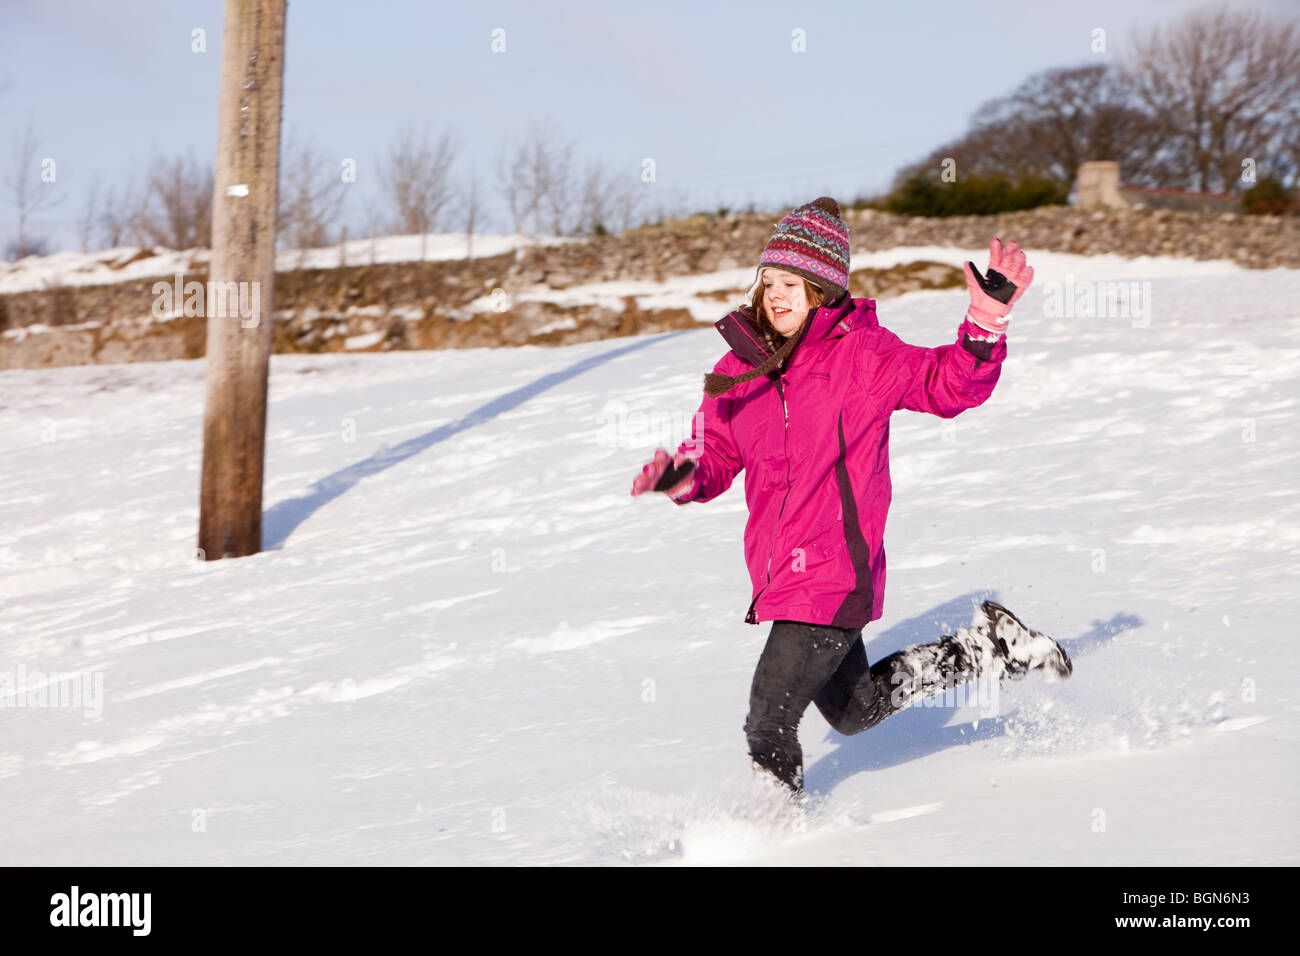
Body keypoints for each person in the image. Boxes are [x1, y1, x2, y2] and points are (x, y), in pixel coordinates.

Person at [630, 197, 1072, 796]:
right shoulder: (740, 366)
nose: (776, 295)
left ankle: (773, 836)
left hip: (835, 571)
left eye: (793, 281)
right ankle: (984, 649)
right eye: (768, 281)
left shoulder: (862, 355)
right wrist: (678, 475)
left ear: (822, 290)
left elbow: (948, 386)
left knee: (768, 720)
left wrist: (985, 323)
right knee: (854, 710)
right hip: (781, 574)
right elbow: (715, 455)